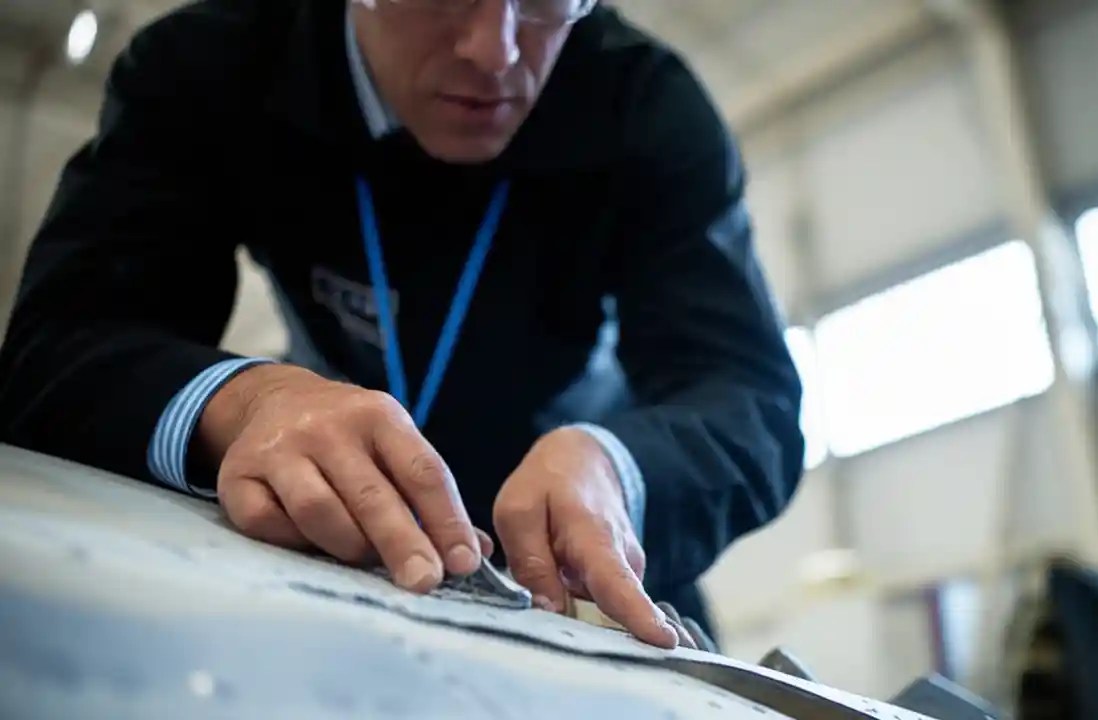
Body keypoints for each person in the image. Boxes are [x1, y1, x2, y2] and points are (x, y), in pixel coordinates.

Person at [0, 0, 802, 648]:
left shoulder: (648, 105)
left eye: (550, 2)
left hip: (581, 568)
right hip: (320, 545)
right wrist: (244, 404)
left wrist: (620, 470)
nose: (496, 51)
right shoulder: (207, 67)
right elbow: (56, 345)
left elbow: (750, 398)